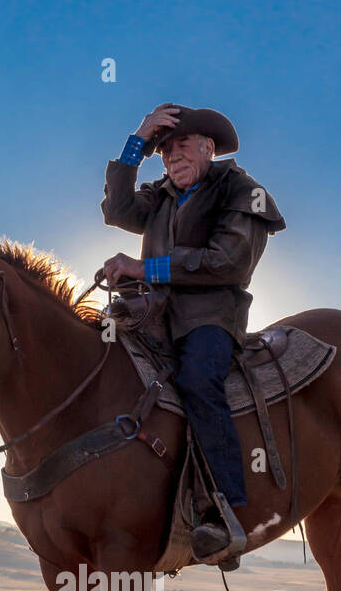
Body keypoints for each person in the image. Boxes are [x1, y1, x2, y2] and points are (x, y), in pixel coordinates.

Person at [102, 103, 285, 560]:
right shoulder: (162, 194)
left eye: (179, 146)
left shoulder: (241, 190)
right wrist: (137, 141)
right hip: (151, 314)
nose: (170, 157)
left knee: (198, 382)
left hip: (209, 317)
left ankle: (225, 516)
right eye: (162, 150)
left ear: (207, 147)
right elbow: (117, 208)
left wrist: (145, 267)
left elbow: (229, 261)